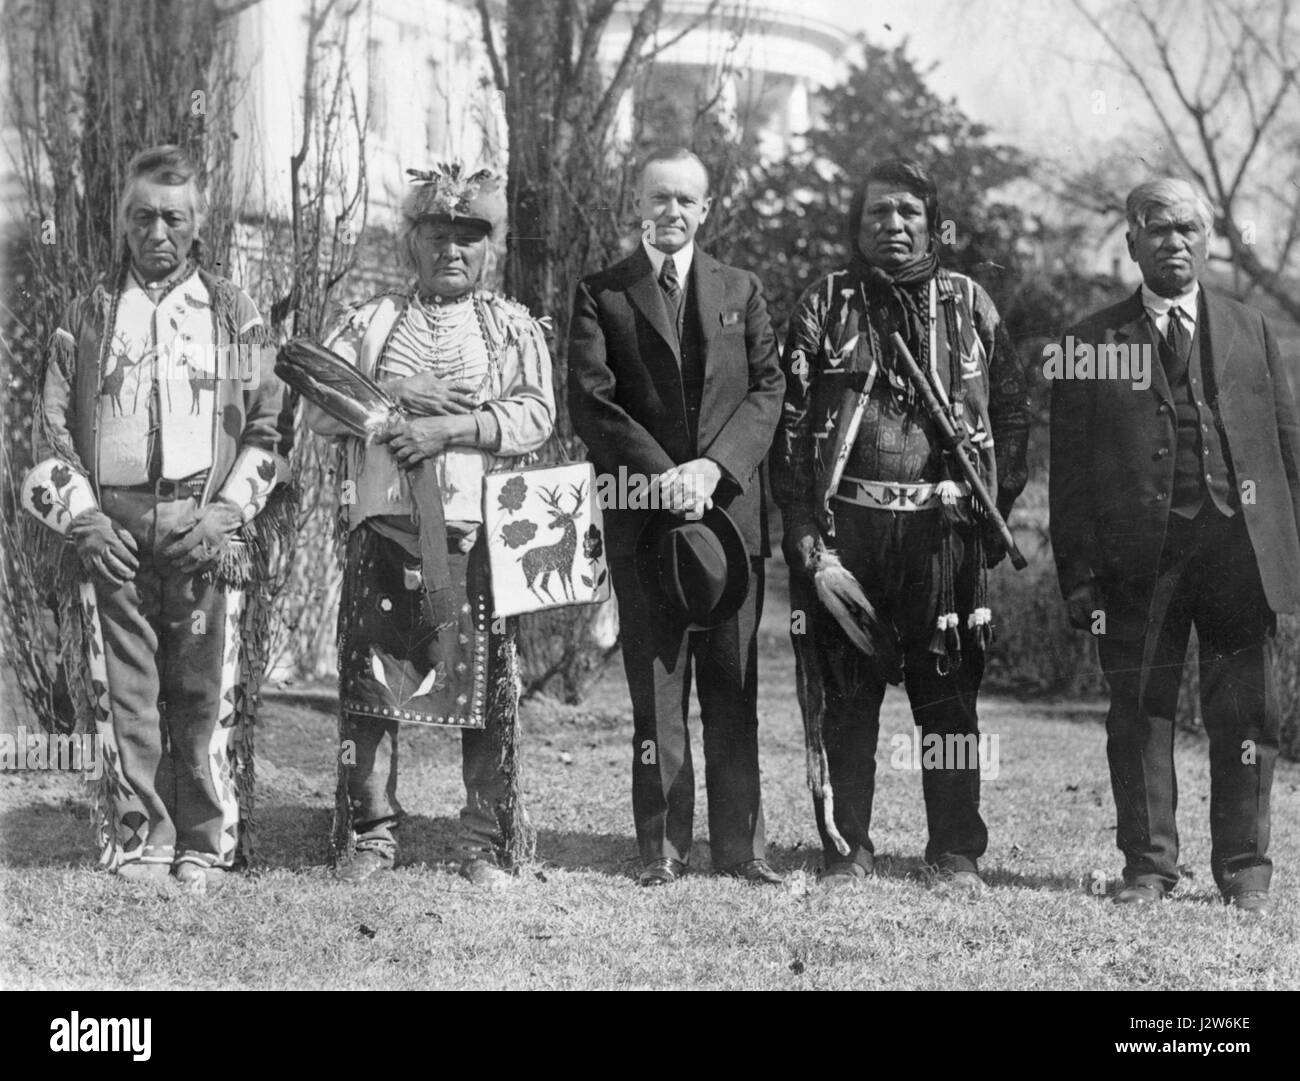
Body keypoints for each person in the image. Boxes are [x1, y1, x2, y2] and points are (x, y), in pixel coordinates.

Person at [23, 144, 294, 892]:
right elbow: (47, 436)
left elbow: (268, 430)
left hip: (203, 526)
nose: (158, 232)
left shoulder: (235, 317)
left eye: (173, 217)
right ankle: (142, 839)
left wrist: (229, 514)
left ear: (198, 222)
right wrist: (84, 521)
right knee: (127, 688)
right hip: (111, 530)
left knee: (206, 689)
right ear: (123, 224)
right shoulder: (86, 317)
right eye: (142, 216)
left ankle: (204, 843)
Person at [772, 158, 1029, 892]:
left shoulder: (970, 304)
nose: (894, 225)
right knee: (847, 699)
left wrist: (994, 508)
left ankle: (954, 850)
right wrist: (799, 524)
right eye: (879, 212)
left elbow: (1012, 412)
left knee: (948, 698)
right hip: (847, 535)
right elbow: (790, 425)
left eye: (908, 213)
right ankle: (848, 847)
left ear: (931, 223)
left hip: (943, 536)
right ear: (858, 225)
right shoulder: (827, 303)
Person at [1049, 178, 1300, 915]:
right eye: (1158, 227)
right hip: (1137, 564)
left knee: (1249, 714)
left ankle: (1246, 867)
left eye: (1189, 227)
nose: (1175, 240)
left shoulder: (1251, 329)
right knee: (1138, 713)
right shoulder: (1092, 342)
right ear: (1130, 239)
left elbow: (1290, 454)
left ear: (1210, 236)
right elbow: (1068, 474)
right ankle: (1150, 866)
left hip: (1239, 555)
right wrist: (1077, 579)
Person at [305, 163, 554, 889]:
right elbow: (320, 407)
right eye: (438, 236)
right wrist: (391, 398)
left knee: (483, 694)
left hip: (474, 538)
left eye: (468, 239)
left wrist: (450, 427)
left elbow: (536, 415)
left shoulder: (509, 326)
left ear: (488, 248)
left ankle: (481, 838)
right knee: (370, 690)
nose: (452, 251)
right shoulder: (370, 321)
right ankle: (371, 833)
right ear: (411, 242)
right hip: (384, 531)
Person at [568, 147, 785, 886]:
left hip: (728, 523)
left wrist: (713, 468)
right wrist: (665, 476)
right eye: (659, 197)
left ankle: (741, 848)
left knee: (733, 687)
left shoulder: (742, 288)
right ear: (638, 204)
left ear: (706, 209)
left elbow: (769, 390)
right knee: (657, 691)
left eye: (686, 200)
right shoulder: (602, 293)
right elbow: (592, 401)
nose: (672, 212)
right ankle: (661, 847)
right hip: (645, 522)